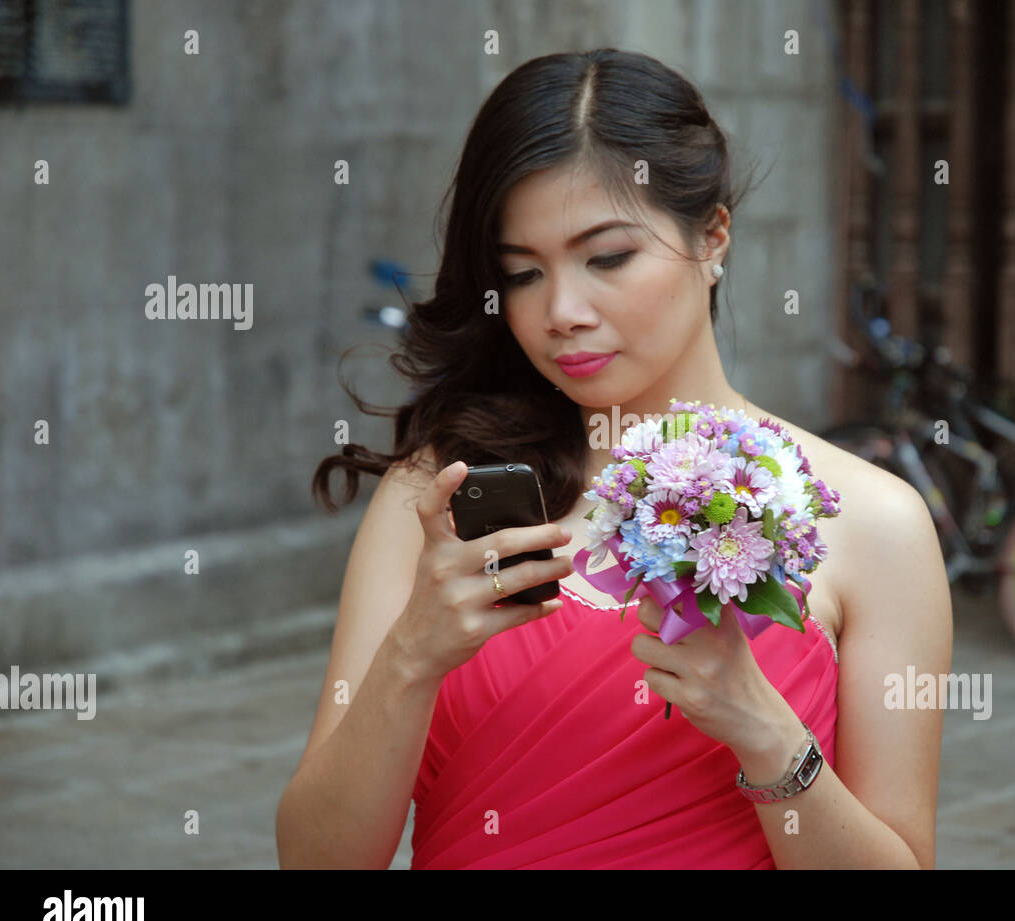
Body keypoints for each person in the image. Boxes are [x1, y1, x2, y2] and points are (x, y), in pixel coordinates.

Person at [277, 48, 951, 869]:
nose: (562, 311)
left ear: (712, 236)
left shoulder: (873, 523)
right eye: (522, 273)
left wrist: (766, 733)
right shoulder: (439, 496)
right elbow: (317, 860)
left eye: (607, 258)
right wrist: (412, 658)